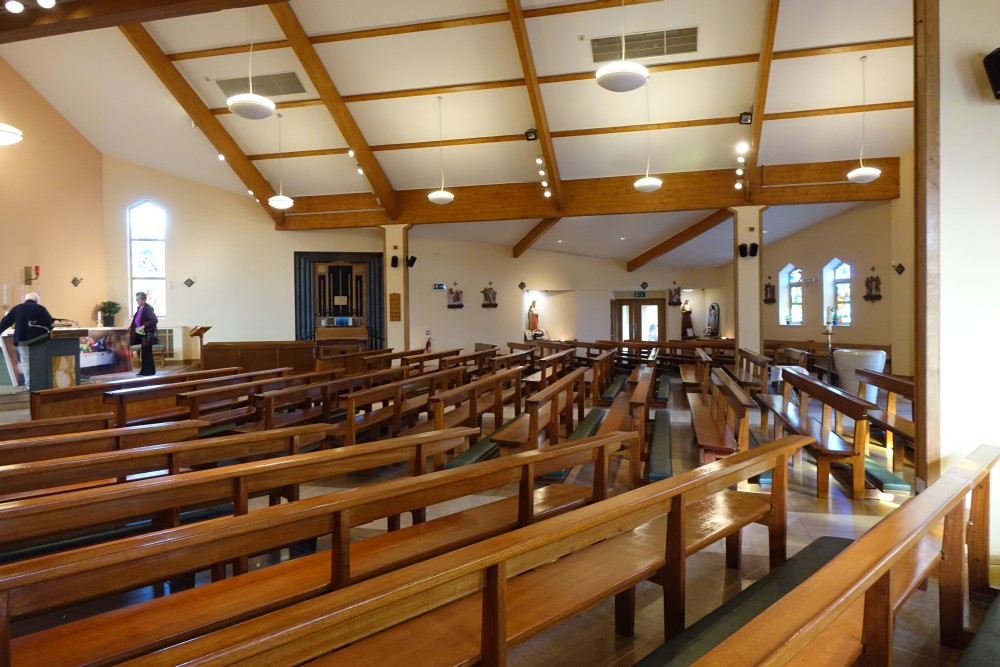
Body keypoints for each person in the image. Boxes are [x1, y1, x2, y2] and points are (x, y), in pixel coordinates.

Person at [0, 292, 54, 390]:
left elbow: (5, 322)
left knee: (25, 361)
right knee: (38, 361)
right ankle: (40, 384)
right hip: (38, 339)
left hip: (22, 339)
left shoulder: (18, 308)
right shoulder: (41, 308)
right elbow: (49, 323)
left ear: (25, 299)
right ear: (36, 300)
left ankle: (29, 385)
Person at [128, 291, 158, 376]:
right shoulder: (139, 308)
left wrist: (143, 326)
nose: (136, 301)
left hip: (146, 333)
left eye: (138, 299)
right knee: (144, 352)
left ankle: (149, 371)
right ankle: (144, 371)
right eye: (136, 299)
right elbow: (136, 319)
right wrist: (131, 326)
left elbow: (154, 320)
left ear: (144, 299)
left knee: (147, 352)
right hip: (140, 333)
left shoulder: (148, 309)